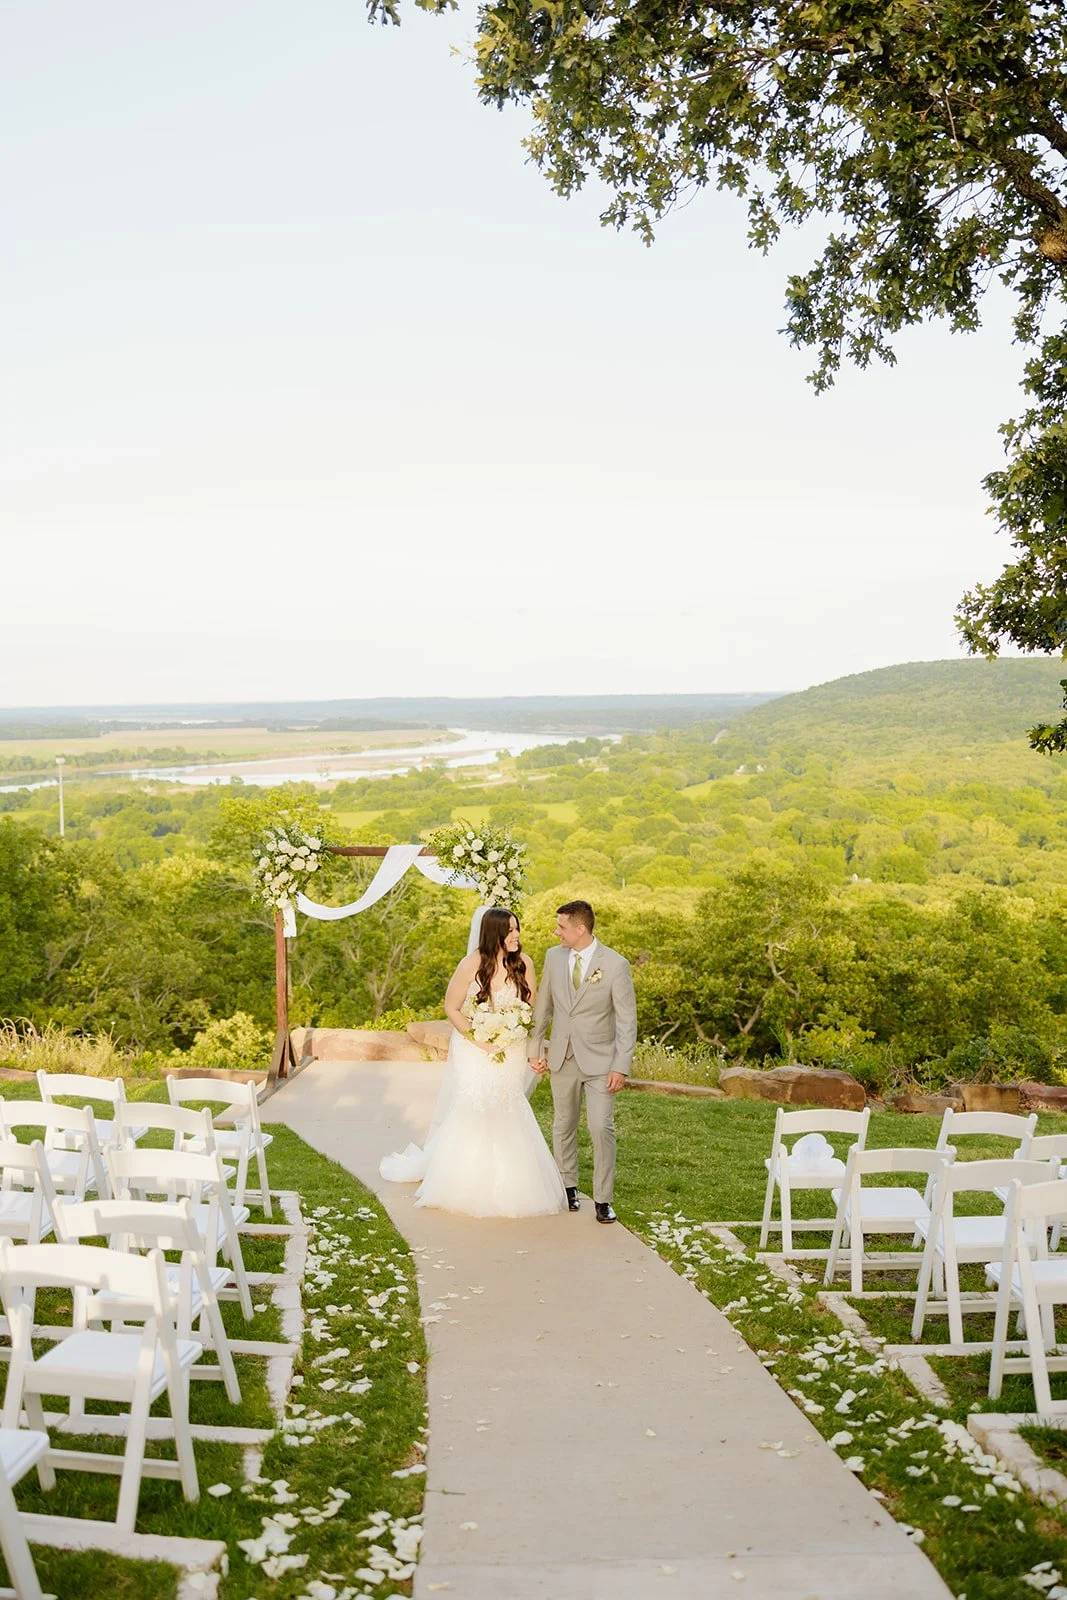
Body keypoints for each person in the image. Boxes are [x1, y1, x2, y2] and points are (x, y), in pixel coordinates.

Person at [412, 907, 567, 1219]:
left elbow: (530, 1012)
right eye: (509, 930)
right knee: (477, 1105)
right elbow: (452, 1008)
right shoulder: (471, 964)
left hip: (511, 1048)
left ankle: (516, 1184)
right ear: (493, 933)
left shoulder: (525, 964)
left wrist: (528, 1049)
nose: (516, 935)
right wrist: (478, 1038)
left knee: (508, 1104)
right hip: (475, 1049)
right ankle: (466, 1182)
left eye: (517, 929)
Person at [528, 900, 637, 1224]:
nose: (555, 932)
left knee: (599, 1126)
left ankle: (603, 1199)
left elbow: (627, 1021)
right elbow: (544, 1007)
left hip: (602, 1060)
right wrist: (535, 1049)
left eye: (561, 926)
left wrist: (621, 1065)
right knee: (563, 1124)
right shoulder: (553, 956)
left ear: (580, 929)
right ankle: (568, 1186)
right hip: (562, 1056)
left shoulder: (616, 965)